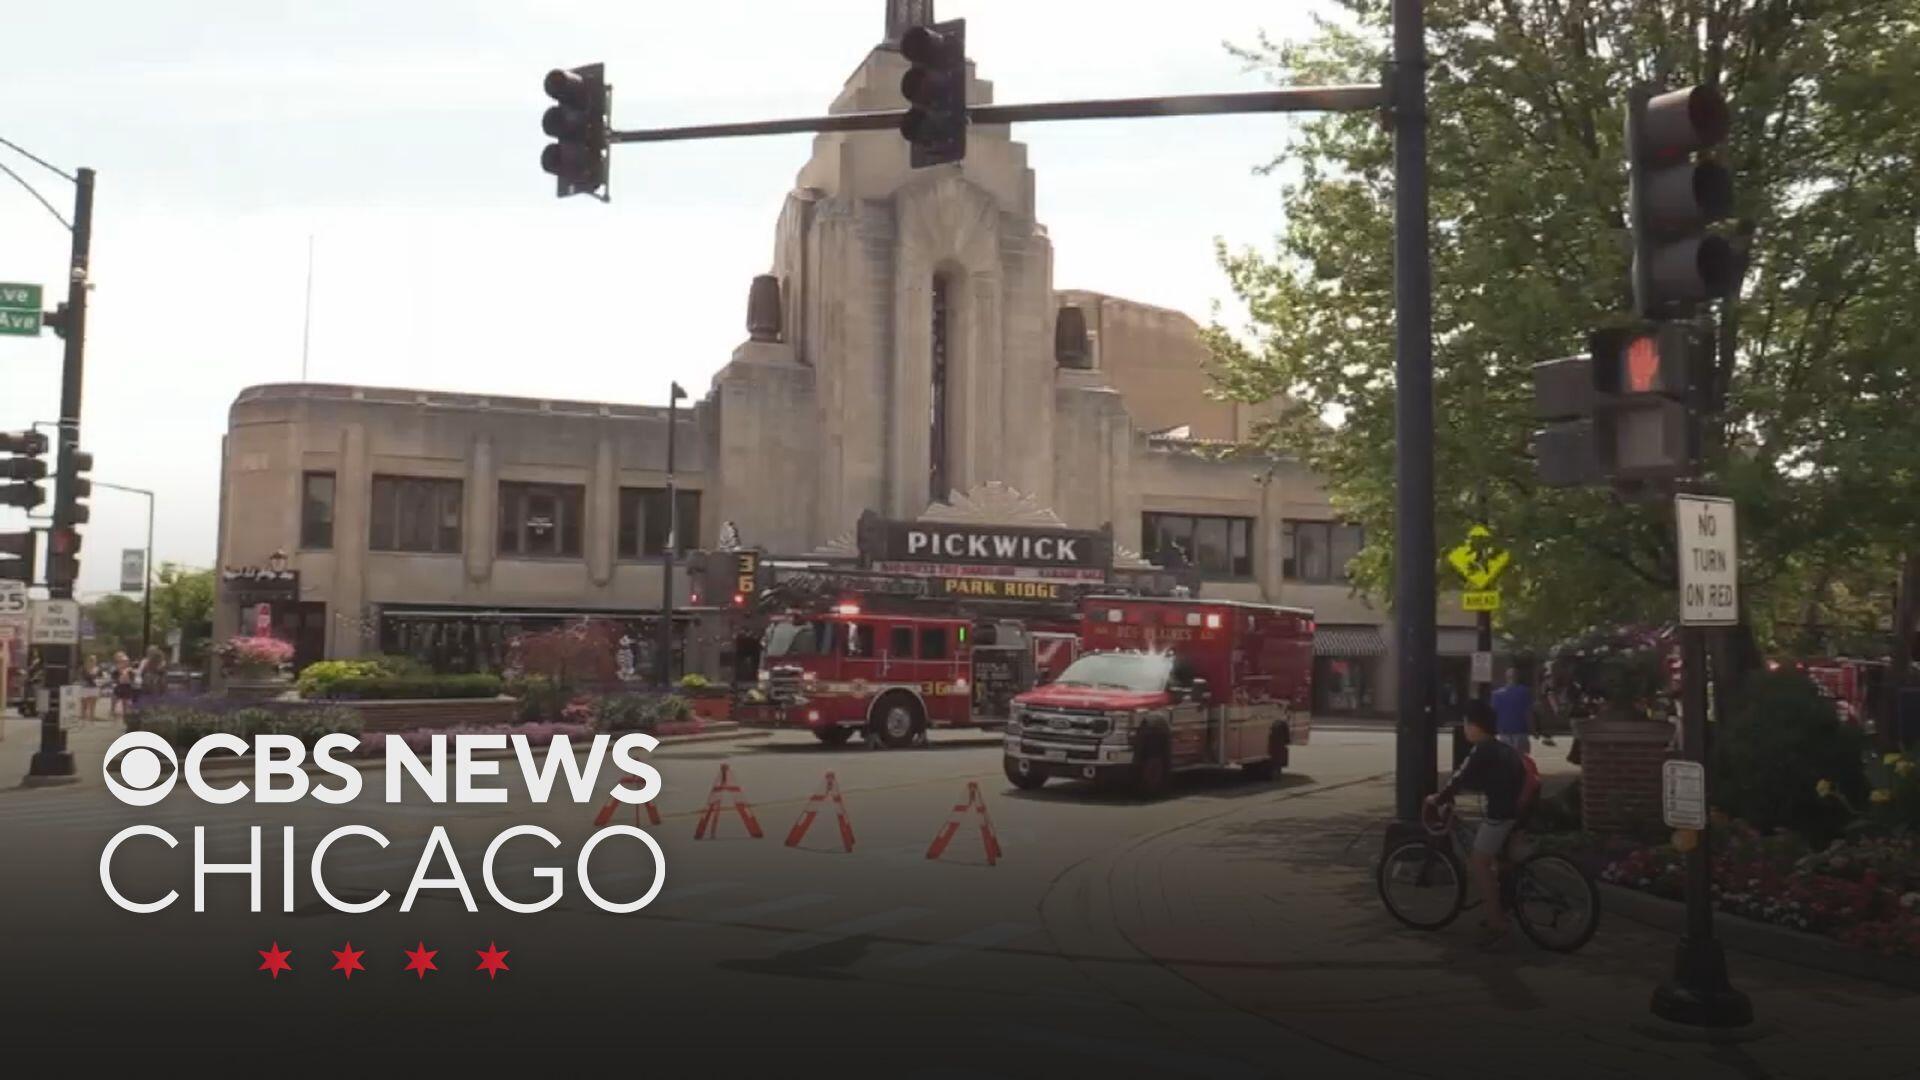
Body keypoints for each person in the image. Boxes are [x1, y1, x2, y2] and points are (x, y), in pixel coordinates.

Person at [1425, 701, 1533, 947]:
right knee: (1501, 863)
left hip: (1502, 813)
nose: (1464, 728)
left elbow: (1460, 777)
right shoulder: (1501, 748)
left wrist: (1438, 798)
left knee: (1479, 862)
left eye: (1466, 723)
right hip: (1521, 810)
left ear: (1475, 727)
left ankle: (1496, 922)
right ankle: (1505, 906)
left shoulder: (1481, 750)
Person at [1490, 668, 1537, 755]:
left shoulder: (1496, 694)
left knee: (1506, 759)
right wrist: (1533, 730)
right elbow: (1528, 713)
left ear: (1506, 677)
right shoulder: (1525, 692)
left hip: (1503, 732)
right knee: (1521, 760)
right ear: (1517, 677)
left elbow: (1493, 714)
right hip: (1520, 731)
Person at [75, 654, 102, 722]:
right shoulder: (84, 668)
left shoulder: (98, 669)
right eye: (91, 660)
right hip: (85, 688)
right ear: (88, 660)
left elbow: (101, 678)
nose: (92, 661)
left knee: (92, 705)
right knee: (84, 705)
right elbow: (80, 678)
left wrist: (99, 685)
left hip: (94, 688)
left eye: (94, 660)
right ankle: (83, 718)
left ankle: (91, 719)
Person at [110, 652, 136, 720]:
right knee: (114, 699)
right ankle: (112, 712)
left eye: (126, 661)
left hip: (127, 687)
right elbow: (114, 678)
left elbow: (132, 679)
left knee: (126, 702)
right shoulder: (116, 669)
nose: (124, 662)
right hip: (119, 686)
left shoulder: (130, 670)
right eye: (122, 661)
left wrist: (126, 675)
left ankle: (126, 716)